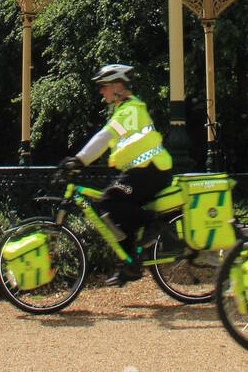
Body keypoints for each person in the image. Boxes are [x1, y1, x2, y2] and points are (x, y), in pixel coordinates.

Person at [59, 64, 172, 286]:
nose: (101, 91)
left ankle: (154, 223)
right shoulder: (123, 111)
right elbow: (106, 141)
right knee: (115, 210)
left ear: (118, 86)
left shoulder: (130, 110)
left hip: (153, 169)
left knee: (110, 200)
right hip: (142, 170)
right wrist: (82, 160)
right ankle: (130, 264)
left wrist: (79, 160)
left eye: (104, 86)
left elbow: (104, 137)